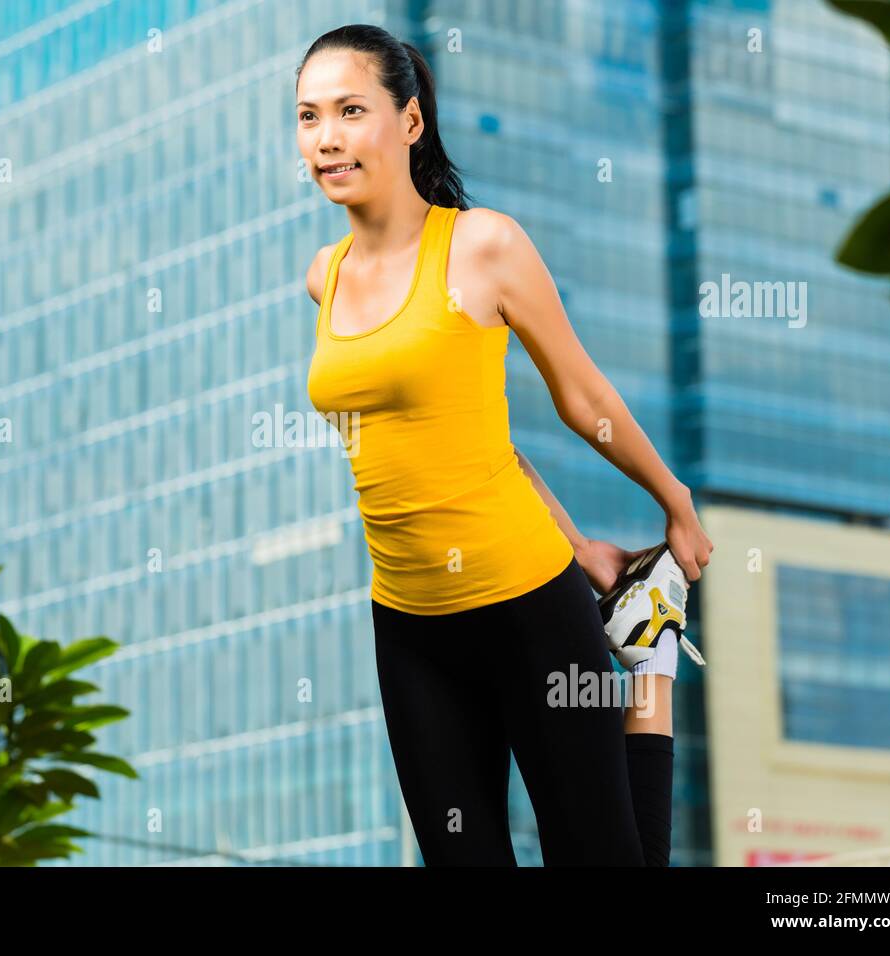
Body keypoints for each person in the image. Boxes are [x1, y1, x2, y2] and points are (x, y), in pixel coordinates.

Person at [298, 24, 713, 866]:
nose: (327, 138)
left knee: (600, 857)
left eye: (350, 110)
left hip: (527, 607)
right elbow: (469, 439)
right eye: (308, 117)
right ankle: (647, 648)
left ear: (411, 122)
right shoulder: (325, 274)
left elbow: (582, 397)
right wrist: (584, 544)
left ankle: (653, 672)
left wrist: (676, 502)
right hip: (408, 627)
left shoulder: (482, 244)